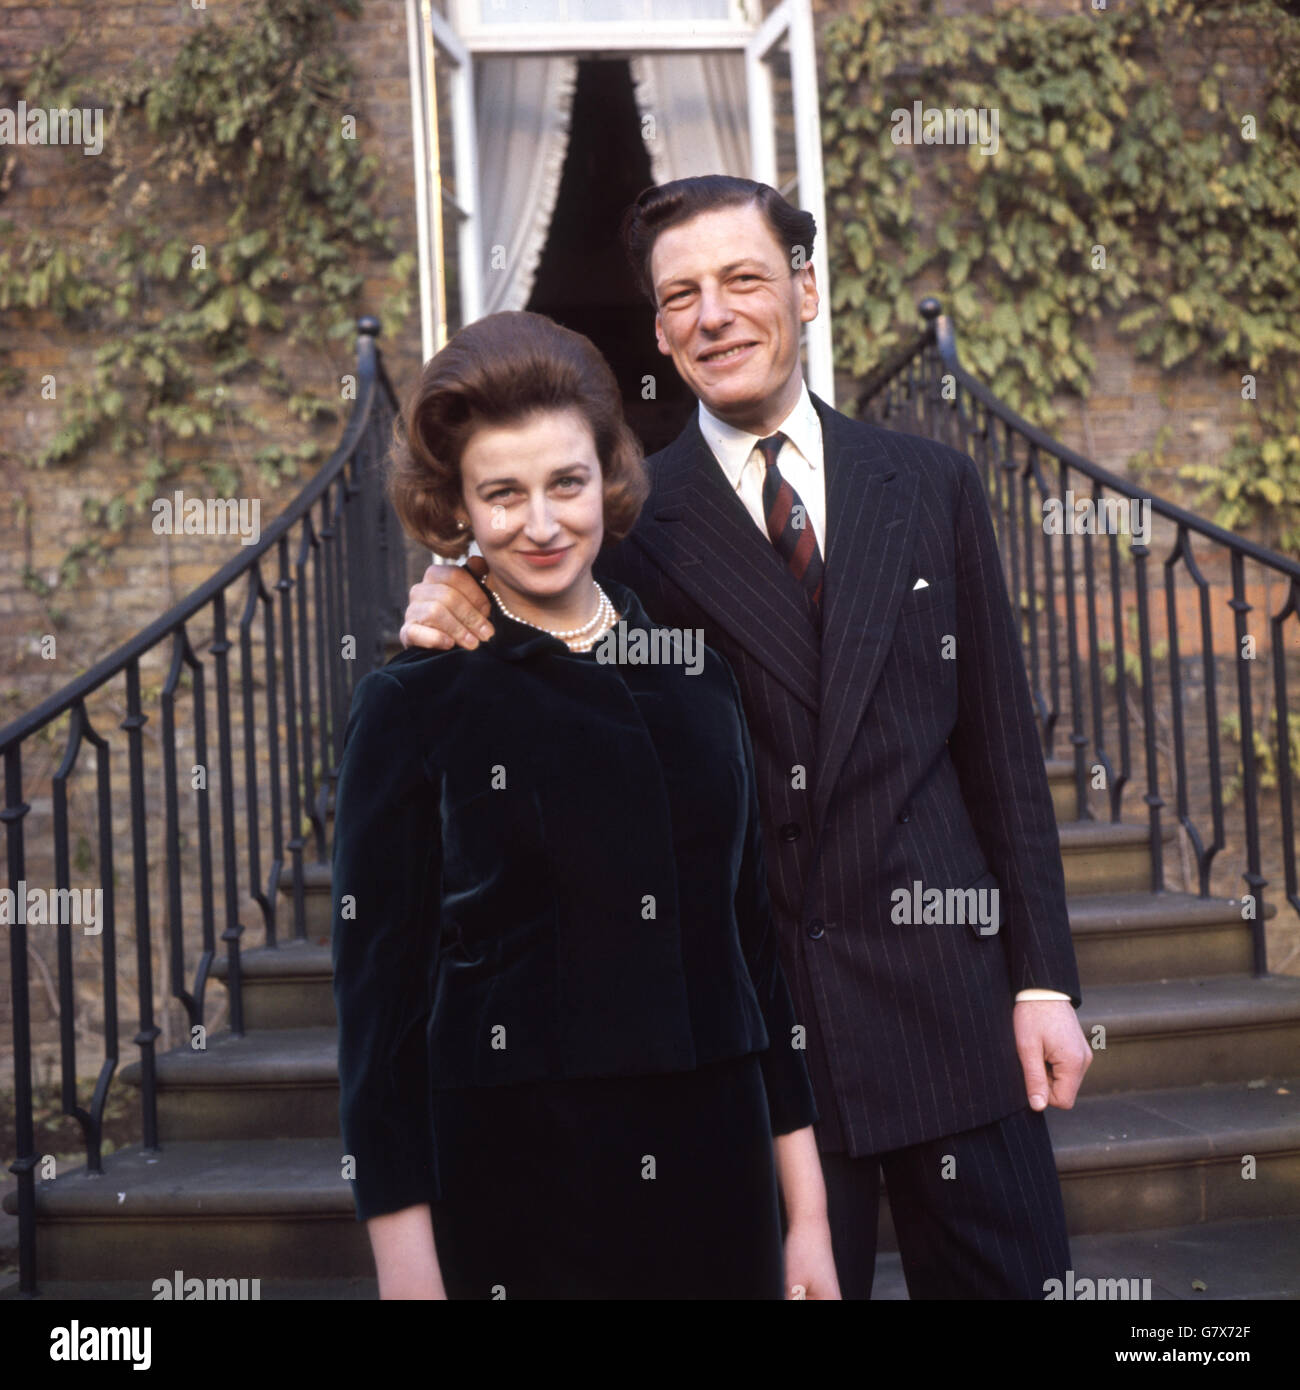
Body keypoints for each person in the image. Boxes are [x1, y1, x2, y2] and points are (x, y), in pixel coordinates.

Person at [398, 175, 1094, 1300]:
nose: (711, 314)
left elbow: (1000, 752)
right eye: (680, 296)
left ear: (805, 288)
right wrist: (452, 598)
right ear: (662, 330)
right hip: (767, 1055)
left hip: (955, 1017)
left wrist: (1041, 984)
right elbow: (536, 658)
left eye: (739, 280)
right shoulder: (622, 526)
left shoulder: (930, 484)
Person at [331, 308, 839, 1300]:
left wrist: (807, 1214)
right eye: (501, 494)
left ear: (606, 477)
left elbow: (755, 959)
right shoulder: (415, 702)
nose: (542, 521)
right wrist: (405, 1265)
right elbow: (376, 1013)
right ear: (458, 509)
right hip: (519, 1193)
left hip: (719, 1178)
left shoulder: (695, 674)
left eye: (566, 482)